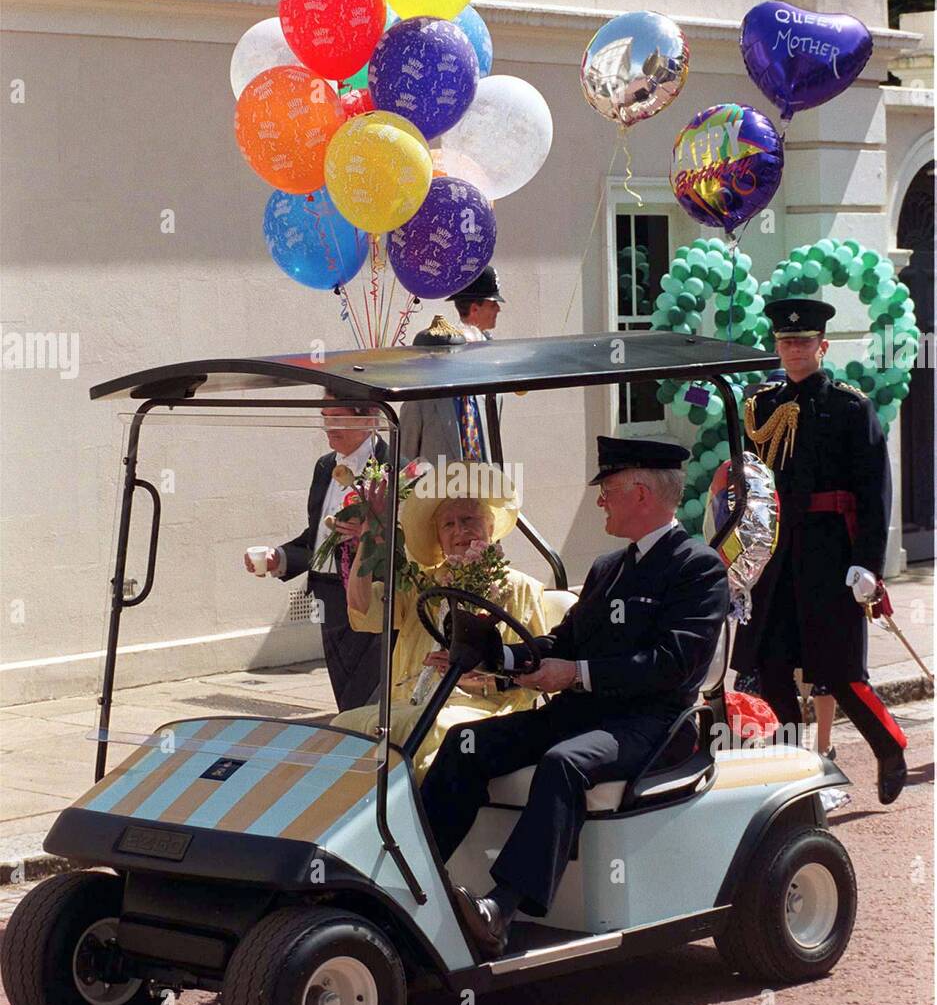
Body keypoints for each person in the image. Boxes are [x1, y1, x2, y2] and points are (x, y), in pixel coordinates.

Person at [419, 436, 730, 957]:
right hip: (584, 712)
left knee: (564, 764)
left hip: (651, 726)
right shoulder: (610, 567)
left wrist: (577, 674)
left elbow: (674, 665)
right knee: (467, 743)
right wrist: (499, 659)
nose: (600, 501)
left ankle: (502, 908)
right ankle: (411, 880)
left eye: (607, 490)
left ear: (640, 494)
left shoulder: (696, 568)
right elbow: (562, 641)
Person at [731, 296, 907, 805]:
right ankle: (795, 778)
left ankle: (889, 745)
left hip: (830, 553)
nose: (793, 350)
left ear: (822, 346)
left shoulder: (850, 407)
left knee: (841, 671)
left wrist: (867, 564)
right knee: (772, 666)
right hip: (777, 555)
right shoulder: (762, 404)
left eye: (803, 342)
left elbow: (875, 491)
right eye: (785, 341)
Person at [332, 462, 547, 780]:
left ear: (489, 526)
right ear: (439, 538)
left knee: (421, 728)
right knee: (342, 728)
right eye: (448, 524)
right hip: (411, 703)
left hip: (482, 708)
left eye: (469, 520)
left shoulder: (519, 587)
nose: (460, 531)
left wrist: (477, 674)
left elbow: (538, 671)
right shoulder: (422, 584)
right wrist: (366, 541)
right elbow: (362, 610)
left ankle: (406, 822)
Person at [244, 402, 387, 712]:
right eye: (325, 417)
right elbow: (316, 537)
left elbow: (406, 542)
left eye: (337, 417)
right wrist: (278, 557)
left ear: (370, 418)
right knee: (345, 694)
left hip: (372, 594)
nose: (328, 427)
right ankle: (354, 749)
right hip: (327, 595)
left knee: (371, 691)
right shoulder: (324, 467)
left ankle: (375, 751)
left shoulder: (393, 466)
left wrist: (370, 533)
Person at [399, 267, 504, 464]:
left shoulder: (491, 391)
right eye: (492, 304)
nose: (498, 309)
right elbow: (404, 463)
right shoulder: (422, 400)